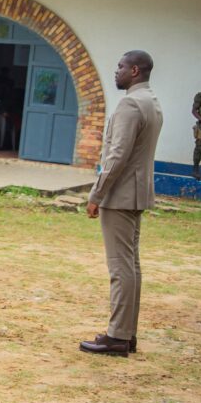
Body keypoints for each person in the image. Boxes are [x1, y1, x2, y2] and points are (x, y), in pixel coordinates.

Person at [81, 50, 163, 357]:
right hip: (137, 193)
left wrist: (96, 194)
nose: (116, 71)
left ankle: (116, 336)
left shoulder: (131, 104)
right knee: (131, 266)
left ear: (135, 71)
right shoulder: (151, 101)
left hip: (120, 195)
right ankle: (127, 334)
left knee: (120, 267)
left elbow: (117, 155)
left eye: (121, 67)